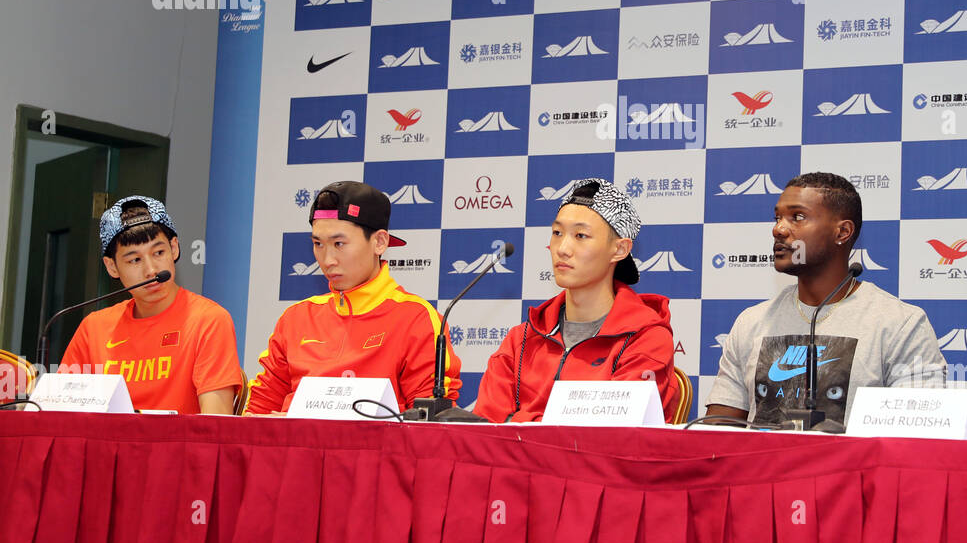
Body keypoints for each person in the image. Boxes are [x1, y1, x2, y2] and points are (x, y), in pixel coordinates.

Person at [706, 172, 946, 429]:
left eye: (797, 217)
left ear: (842, 232)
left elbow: (920, 437)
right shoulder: (751, 322)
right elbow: (716, 432)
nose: (779, 229)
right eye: (777, 218)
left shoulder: (900, 324)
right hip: (762, 468)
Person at [475, 178, 679, 422]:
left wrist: (522, 423)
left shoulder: (646, 339)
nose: (563, 248)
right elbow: (484, 433)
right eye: (557, 233)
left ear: (620, 250)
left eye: (581, 235)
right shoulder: (520, 340)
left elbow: (611, 438)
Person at [245, 181, 459, 414]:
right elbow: (258, 410)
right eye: (318, 244)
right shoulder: (295, 318)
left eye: (339, 244)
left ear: (379, 242)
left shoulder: (416, 318)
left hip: (379, 451)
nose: (327, 260)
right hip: (295, 451)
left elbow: (429, 424)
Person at [59, 196, 242, 414]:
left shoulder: (209, 320)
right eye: (134, 260)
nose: (151, 270)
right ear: (112, 267)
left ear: (174, 248)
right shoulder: (94, 328)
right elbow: (62, 414)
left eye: (159, 253)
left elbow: (216, 423)